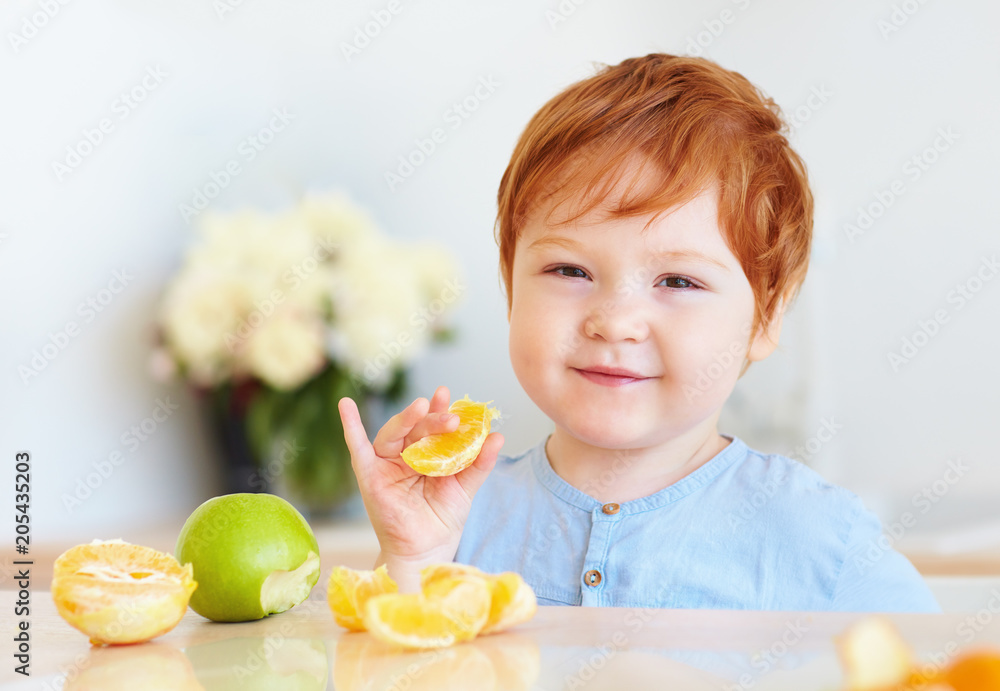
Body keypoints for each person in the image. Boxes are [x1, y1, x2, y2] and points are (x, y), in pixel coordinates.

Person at [338, 53, 940, 612]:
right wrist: (412, 561)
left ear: (765, 318)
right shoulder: (455, 515)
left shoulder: (820, 538)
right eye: (569, 270)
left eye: (677, 281)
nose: (616, 321)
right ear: (510, 285)